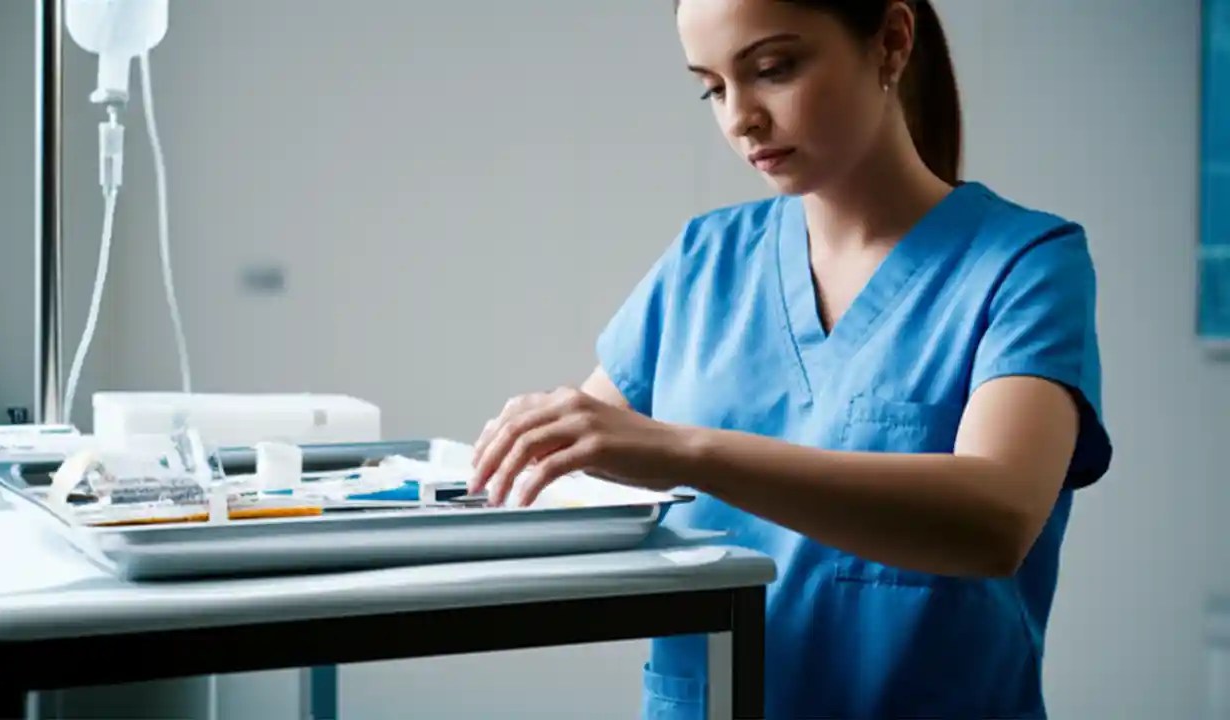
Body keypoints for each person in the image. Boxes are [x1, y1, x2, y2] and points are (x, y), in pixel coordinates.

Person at [468, 0, 1113, 717]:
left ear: (892, 43)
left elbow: (993, 522)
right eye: (712, 88)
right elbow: (573, 475)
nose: (739, 117)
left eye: (773, 69)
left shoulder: (1023, 265)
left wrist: (685, 450)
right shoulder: (703, 261)